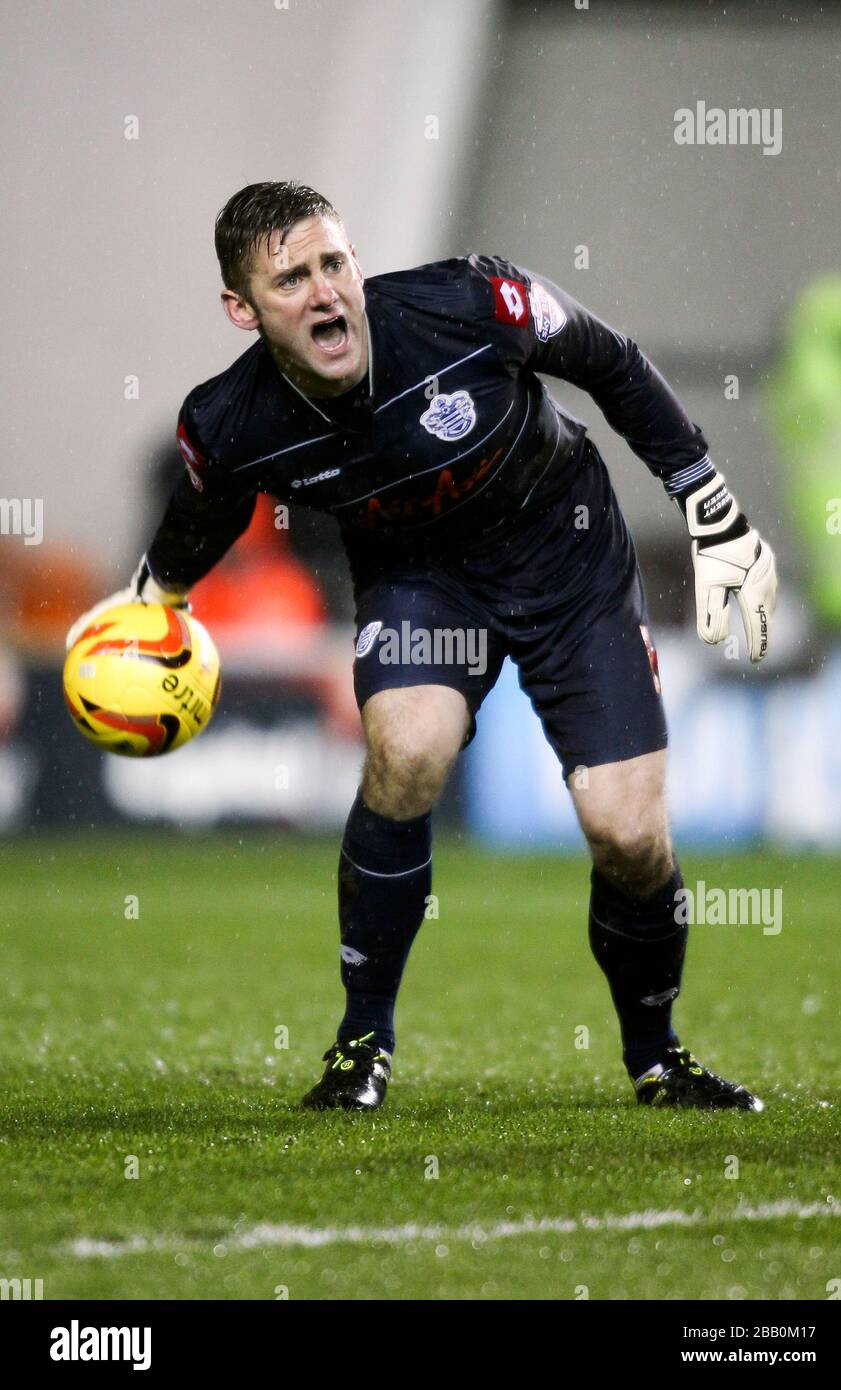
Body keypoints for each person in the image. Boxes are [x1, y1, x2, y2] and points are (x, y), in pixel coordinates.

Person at [67, 182, 777, 1112]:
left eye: (334, 263)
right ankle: (362, 1043)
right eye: (292, 280)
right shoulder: (229, 420)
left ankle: (657, 1057)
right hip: (420, 579)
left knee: (628, 835)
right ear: (243, 310)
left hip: (567, 555)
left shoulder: (472, 303)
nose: (326, 293)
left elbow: (611, 362)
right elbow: (209, 508)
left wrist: (709, 503)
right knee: (406, 752)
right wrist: (154, 597)